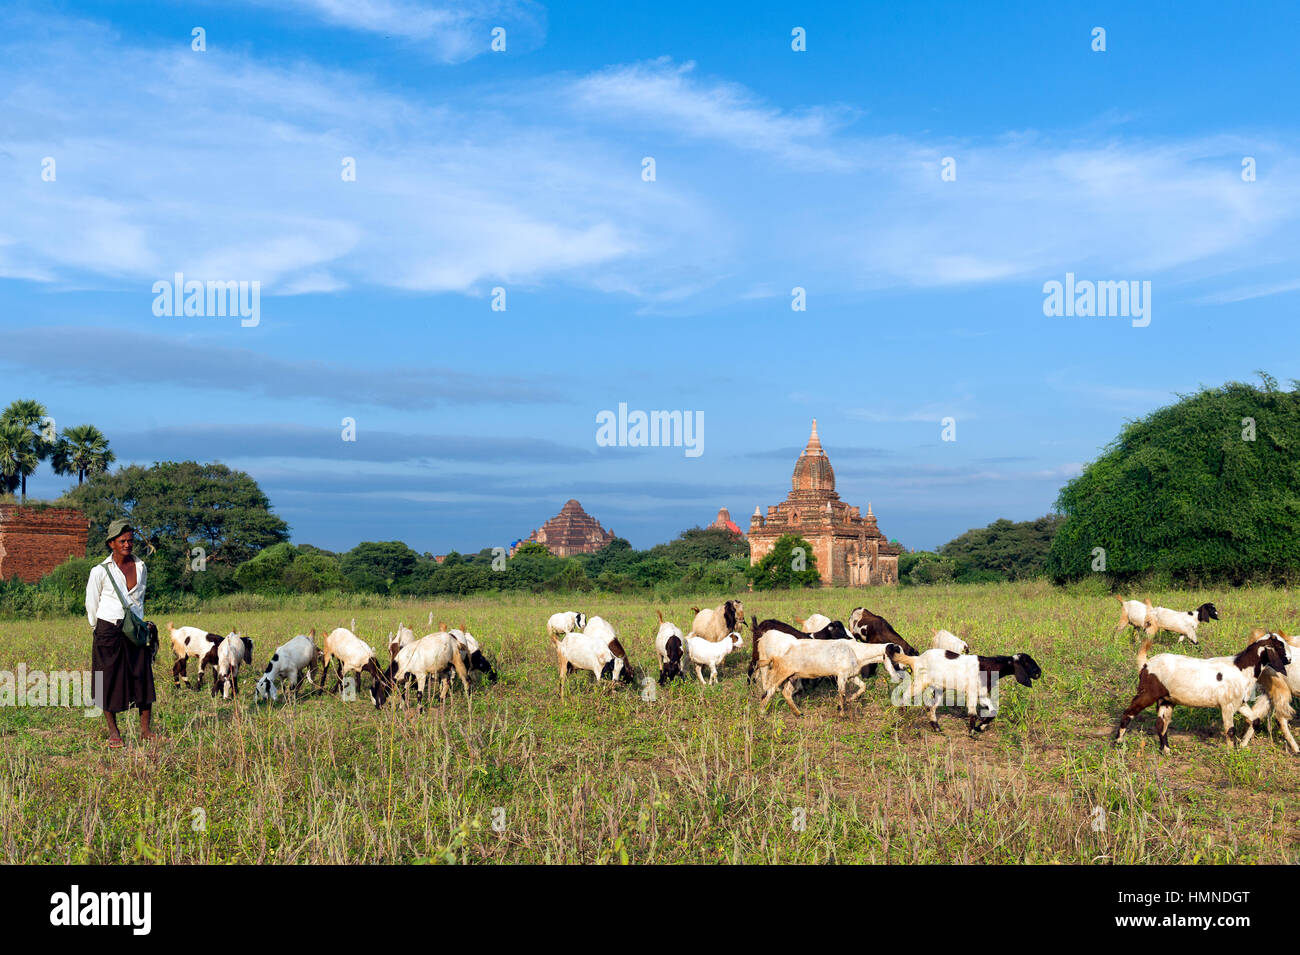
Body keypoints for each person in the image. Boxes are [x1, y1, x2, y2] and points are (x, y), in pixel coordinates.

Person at [86, 519, 156, 748]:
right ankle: (114, 732)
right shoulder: (100, 571)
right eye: (122, 541)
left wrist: (141, 624)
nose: (127, 544)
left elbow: (140, 598)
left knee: (142, 676)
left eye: (130, 540)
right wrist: (100, 630)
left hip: (135, 629)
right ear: (111, 544)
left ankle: (146, 731)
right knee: (108, 679)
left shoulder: (141, 566)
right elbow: (91, 604)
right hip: (108, 630)